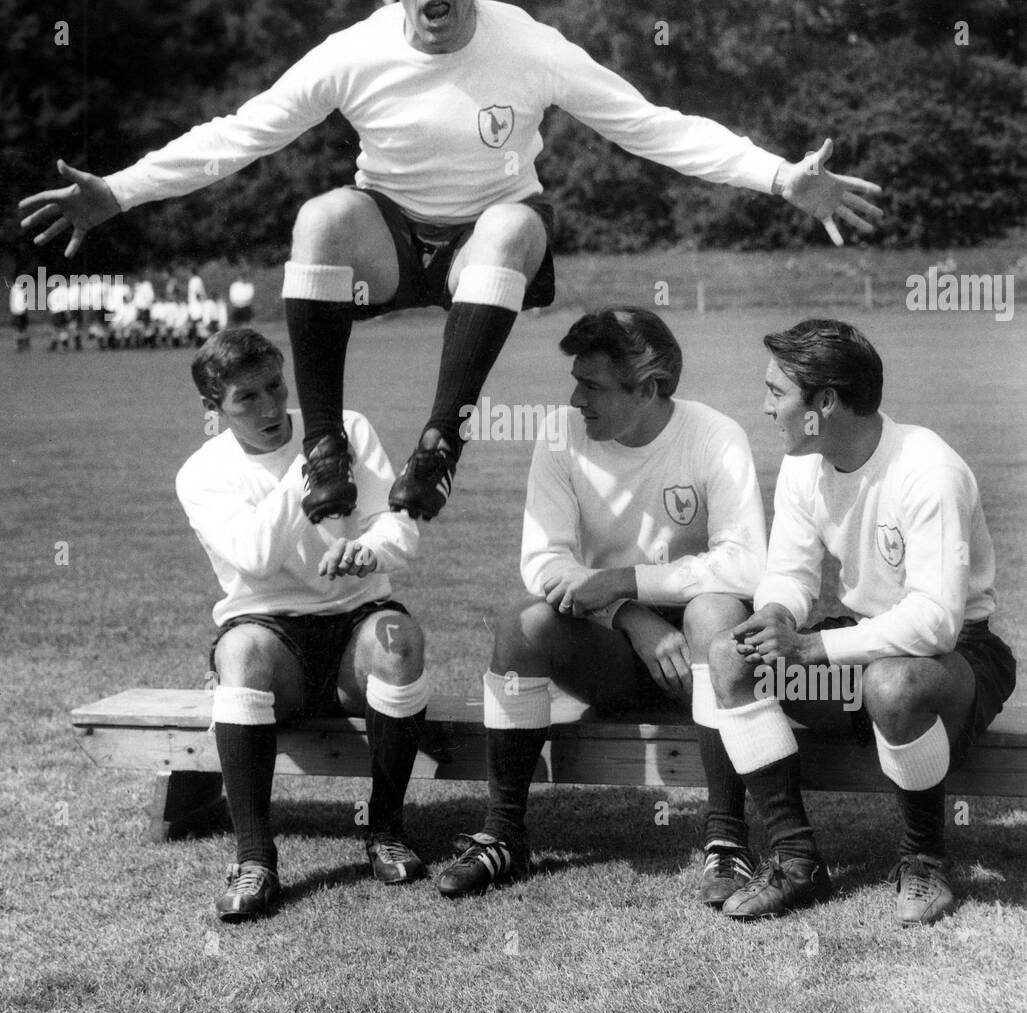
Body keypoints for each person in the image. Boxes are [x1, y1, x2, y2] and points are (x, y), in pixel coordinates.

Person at [19, 0, 882, 527]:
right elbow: (238, 135)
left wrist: (780, 178)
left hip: (497, 243)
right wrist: (120, 192)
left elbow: (653, 126)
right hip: (391, 239)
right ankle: (324, 447)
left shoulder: (530, 48)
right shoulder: (350, 54)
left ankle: (439, 445)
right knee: (320, 216)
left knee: (508, 223)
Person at [435, 307, 767, 901]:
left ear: (649, 389)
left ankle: (727, 844)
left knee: (712, 612)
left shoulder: (715, 435)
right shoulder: (561, 434)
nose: (575, 398)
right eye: (575, 379)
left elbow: (747, 565)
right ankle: (504, 833)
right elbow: (544, 563)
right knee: (524, 624)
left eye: (593, 385)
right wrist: (628, 613)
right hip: (613, 650)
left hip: (709, 660)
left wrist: (627, 582)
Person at [707, 319, 1016, 925]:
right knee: (728, 657)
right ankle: (798, 863)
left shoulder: (929, 468)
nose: (765, 407)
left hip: (956, 661)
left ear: (824, 403)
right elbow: (792, 573)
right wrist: (775, 613)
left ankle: (924, 861)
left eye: (777, 393)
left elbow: (936, 624)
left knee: (891, 685)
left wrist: (816, 644)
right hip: (854, 653)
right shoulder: (805, 462)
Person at [176, 327, 431, 920]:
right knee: (238, 656)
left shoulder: (349, 426)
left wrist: (371, 550)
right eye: (246, 399)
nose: (269, 407)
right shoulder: (201, 472)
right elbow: (256, 557)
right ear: (213, 409)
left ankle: (387, 830)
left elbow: (399, 527)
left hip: (355, 619)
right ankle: (255, 858)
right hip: (270, 633)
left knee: (400, 641)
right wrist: (308, 464)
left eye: (274, 386)